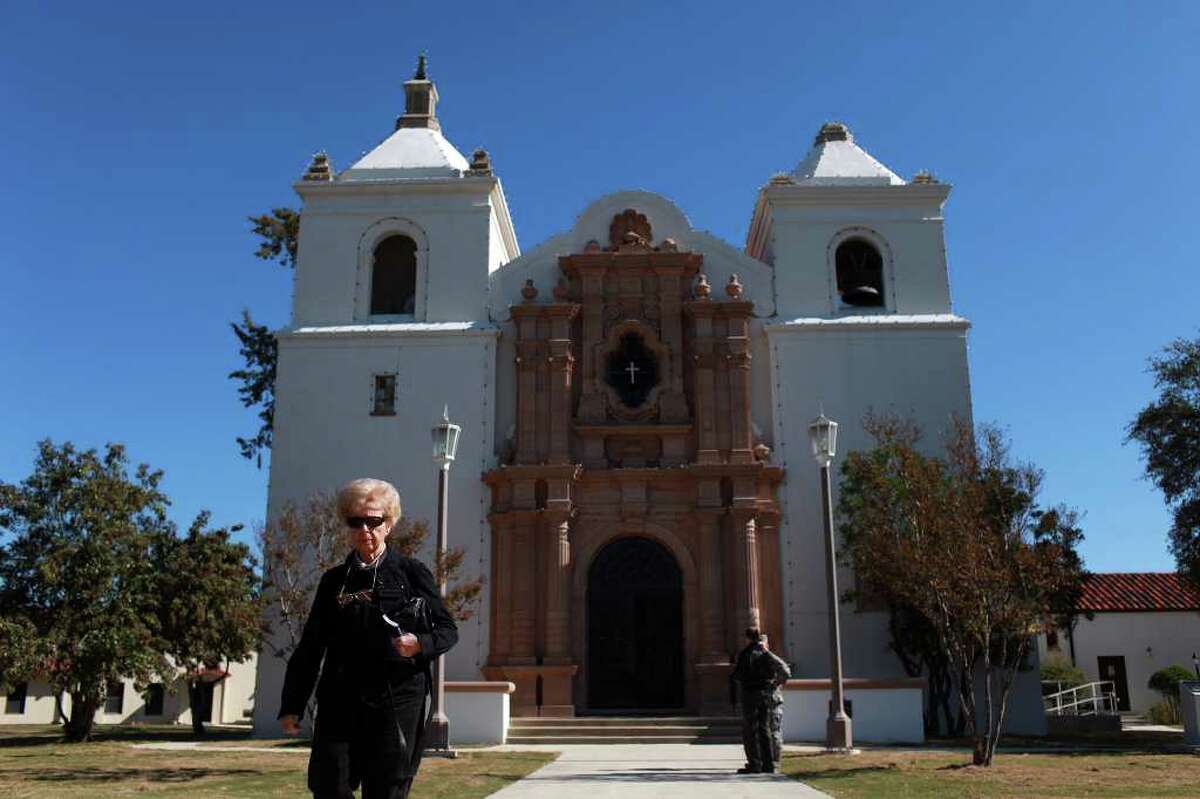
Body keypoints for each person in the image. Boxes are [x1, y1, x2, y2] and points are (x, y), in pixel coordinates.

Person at [278, 478, 458, 799]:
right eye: (356, 521)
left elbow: (447, 630)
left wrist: (418, 644)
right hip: (339, 701)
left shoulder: (411, 573)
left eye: (374, 521)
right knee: (328, 786)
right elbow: (311, 646)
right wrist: (292, 704)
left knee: (386, 790)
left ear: (389, 525)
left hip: (396, 701)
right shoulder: (333, 581)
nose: (365, 529)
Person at [730, 627, 791, 774]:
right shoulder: (766, 655)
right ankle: (769, 764)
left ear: (747, 638)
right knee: (764, 729)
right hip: (765, 694)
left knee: (751, 730)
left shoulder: (745, 654)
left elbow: (737, 675)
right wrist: (773, 683)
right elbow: (784, 670)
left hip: (750, 694)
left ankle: (755, 764)